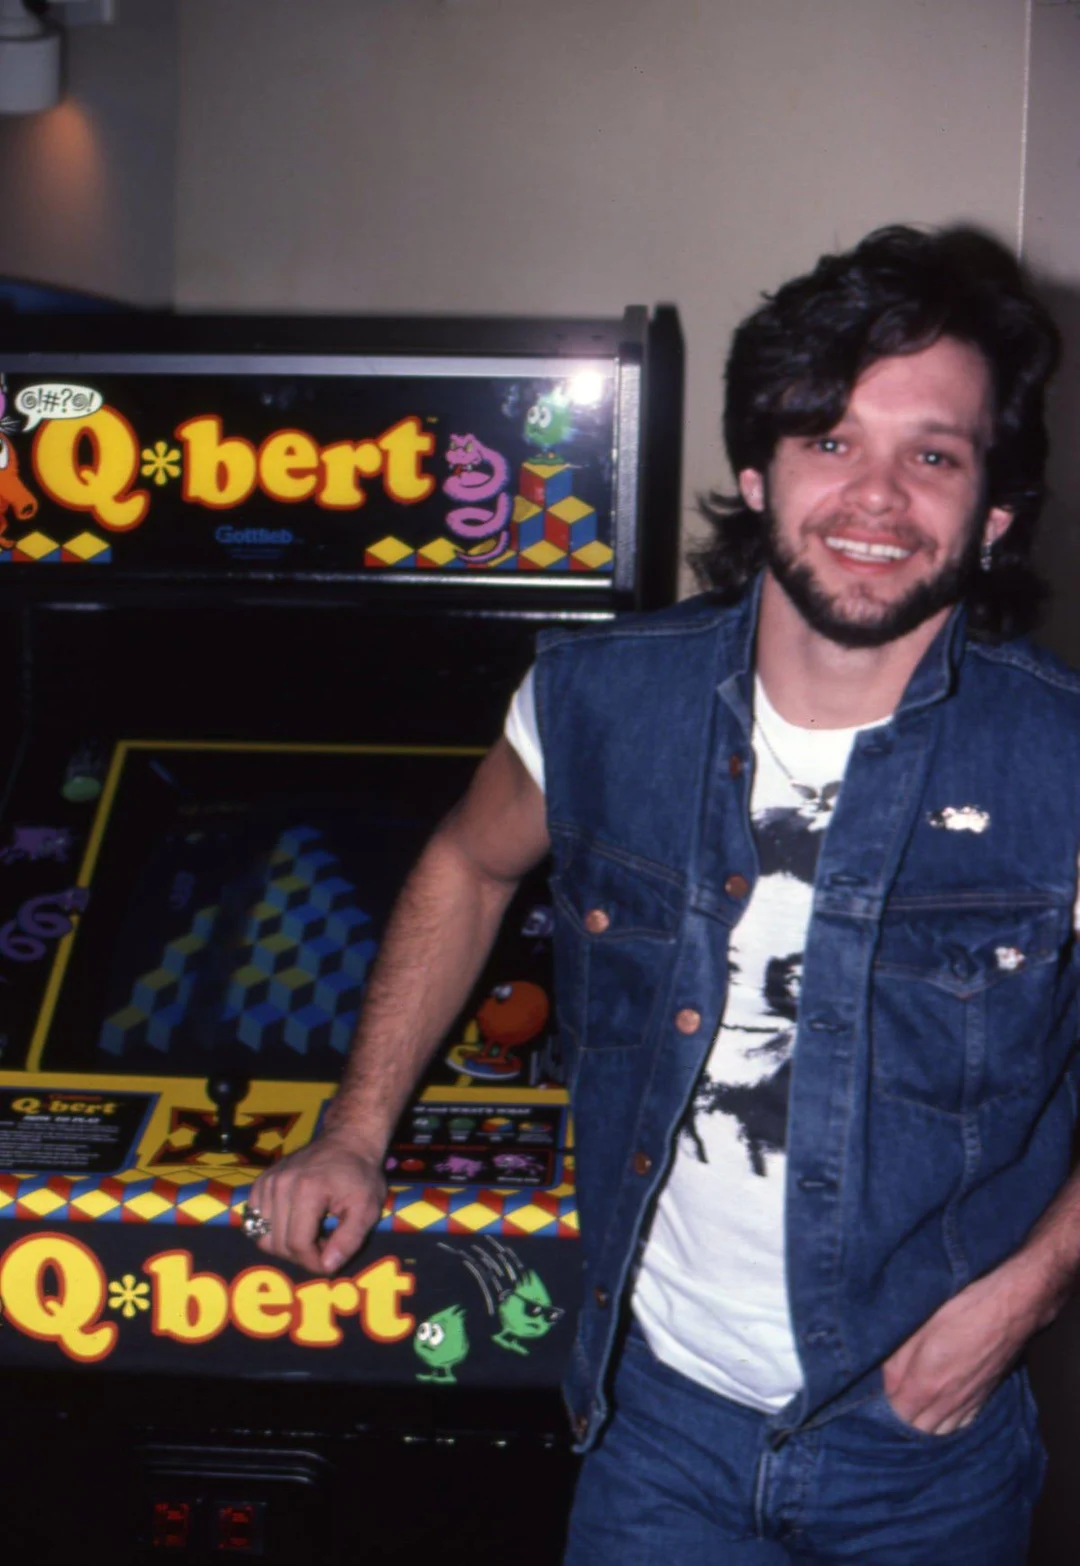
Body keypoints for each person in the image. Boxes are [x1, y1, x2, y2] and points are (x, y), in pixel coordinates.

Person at [247, 226, 1080, 1563]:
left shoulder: (1061, 761)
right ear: (755, 472)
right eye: (829, 439)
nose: (875, 497)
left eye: (931, 453)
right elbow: (467, 862)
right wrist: (354, 1126)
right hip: (662, 1429)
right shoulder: (598, 704)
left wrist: (1030, 1290)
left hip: (928, 1451)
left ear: (991, 509)